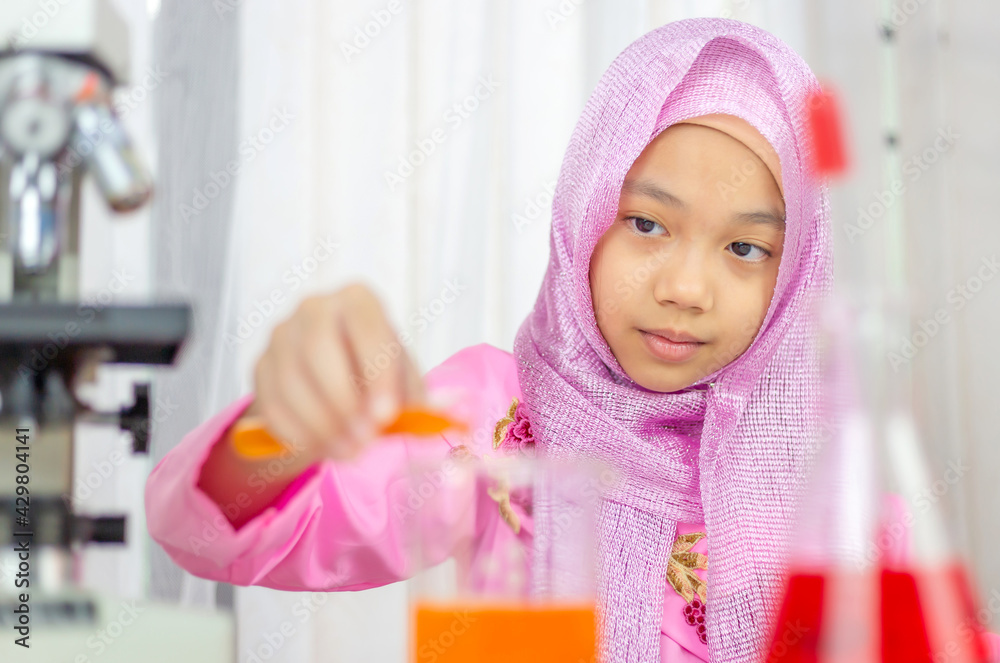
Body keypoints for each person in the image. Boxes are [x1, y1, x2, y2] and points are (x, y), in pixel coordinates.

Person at [145, 17, 988, 662]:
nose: (686, 288)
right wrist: (289, 424)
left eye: (745, 248)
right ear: (585, 216)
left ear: (795, 270)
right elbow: (221, 532)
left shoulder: (841, 493)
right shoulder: (493, 419)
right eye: (647, 223)